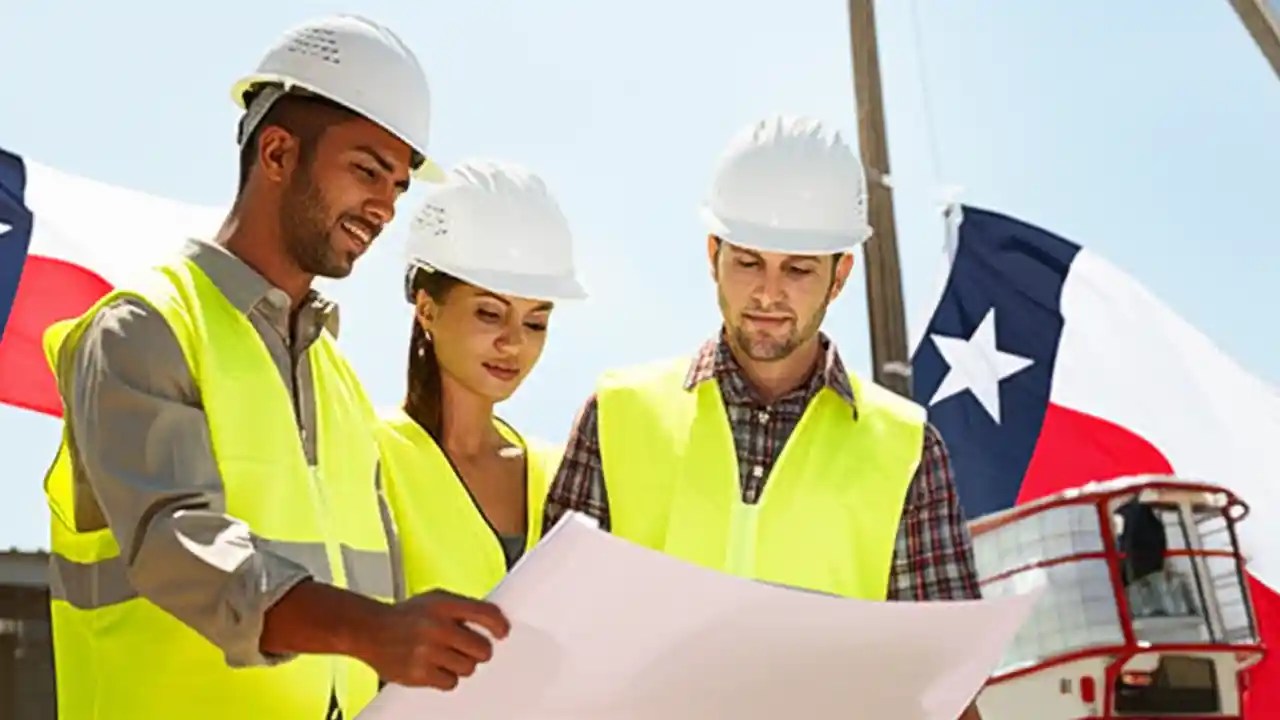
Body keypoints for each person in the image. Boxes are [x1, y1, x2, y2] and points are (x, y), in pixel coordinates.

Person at [39, 15, 507, 720]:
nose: (383, 207)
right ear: (279, 153)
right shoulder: (144, 329)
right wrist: (375, 633)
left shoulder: (339, 381)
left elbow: (380, 595)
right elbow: (178, 544)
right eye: (366, 170)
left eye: (400, 187)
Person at [542, 114, 985, 720]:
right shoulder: (618, 414)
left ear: (840, 276)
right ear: (712, 254)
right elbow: (549, 643)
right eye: (748, 262)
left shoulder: (907, 447)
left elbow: (945, 688)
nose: (769, 294)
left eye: (798, 269)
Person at [377, 159, 587, 601]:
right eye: (489, 314)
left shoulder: (558, 471)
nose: (513, 343)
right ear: (427, 308)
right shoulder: (368, 454)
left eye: (535, 323)